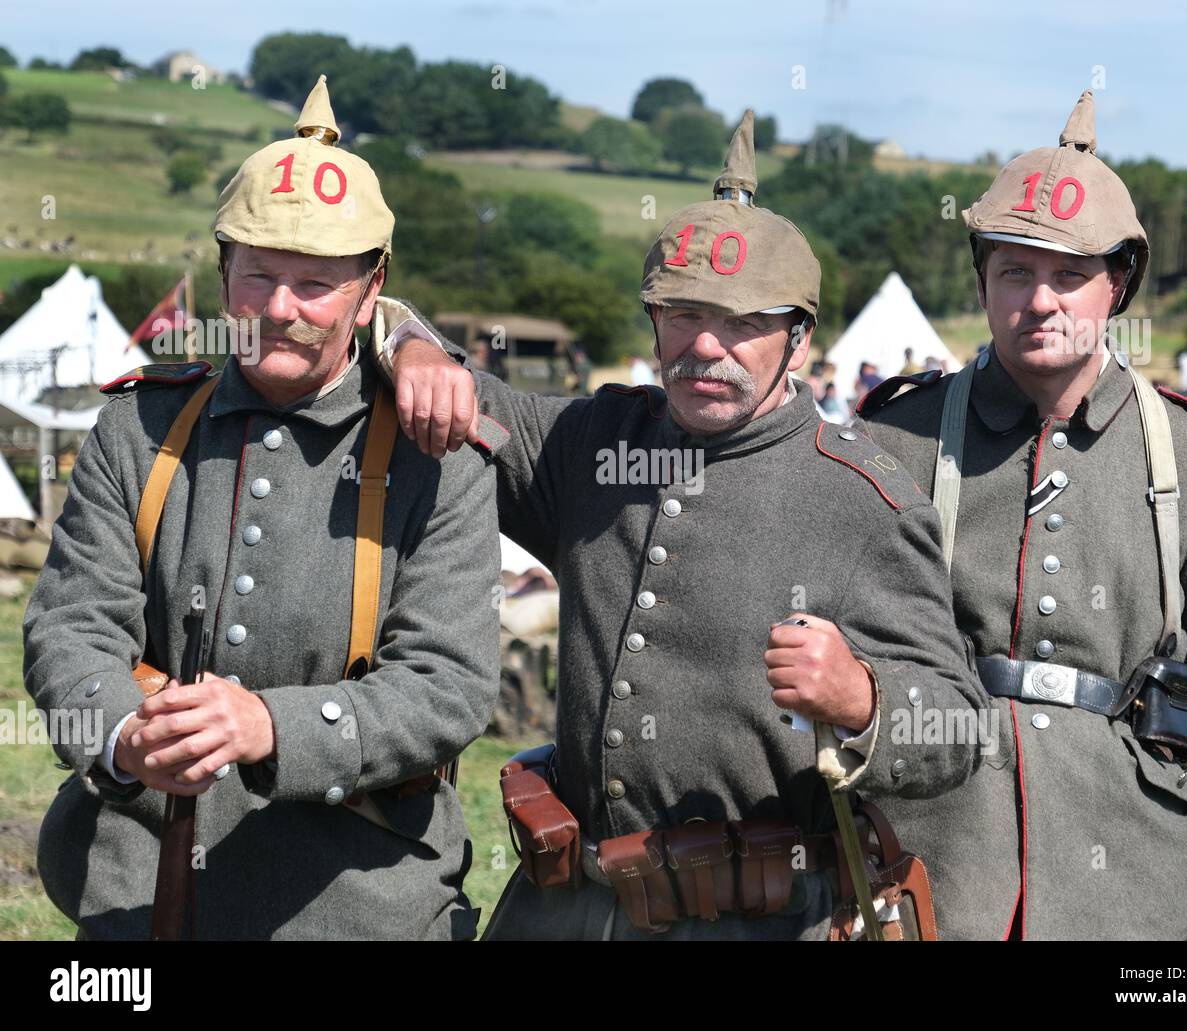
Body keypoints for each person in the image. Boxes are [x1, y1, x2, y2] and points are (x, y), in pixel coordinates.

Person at [381, 111, 989, 940]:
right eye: (681, 312)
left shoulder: (864, 500)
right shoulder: (591, 440)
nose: (706, 344)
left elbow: (957, 728)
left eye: (742, 323)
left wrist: (863, 699)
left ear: (799, 339)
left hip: (760, 918)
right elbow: (441, 375)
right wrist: (413, 342)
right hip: (566, 910)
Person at [23, 76, 501, 940]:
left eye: (316, 285)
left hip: (353, 900)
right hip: (135, 886)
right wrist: (125, 732)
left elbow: (447, 688)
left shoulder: (440, 458)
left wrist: (268, 726)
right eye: (259, 276)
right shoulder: (142, 425)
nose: (280, 310)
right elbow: (69, 626)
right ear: (222, 272)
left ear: (372, 288)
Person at [857, 89, 1187, 940]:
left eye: (1070, 276)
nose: (1040, 301)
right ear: (984, 278)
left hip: (1133, 858)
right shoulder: (896, 438)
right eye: (1015, 271)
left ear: (1117, 286)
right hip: (930, 847)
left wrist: (1142, 780)